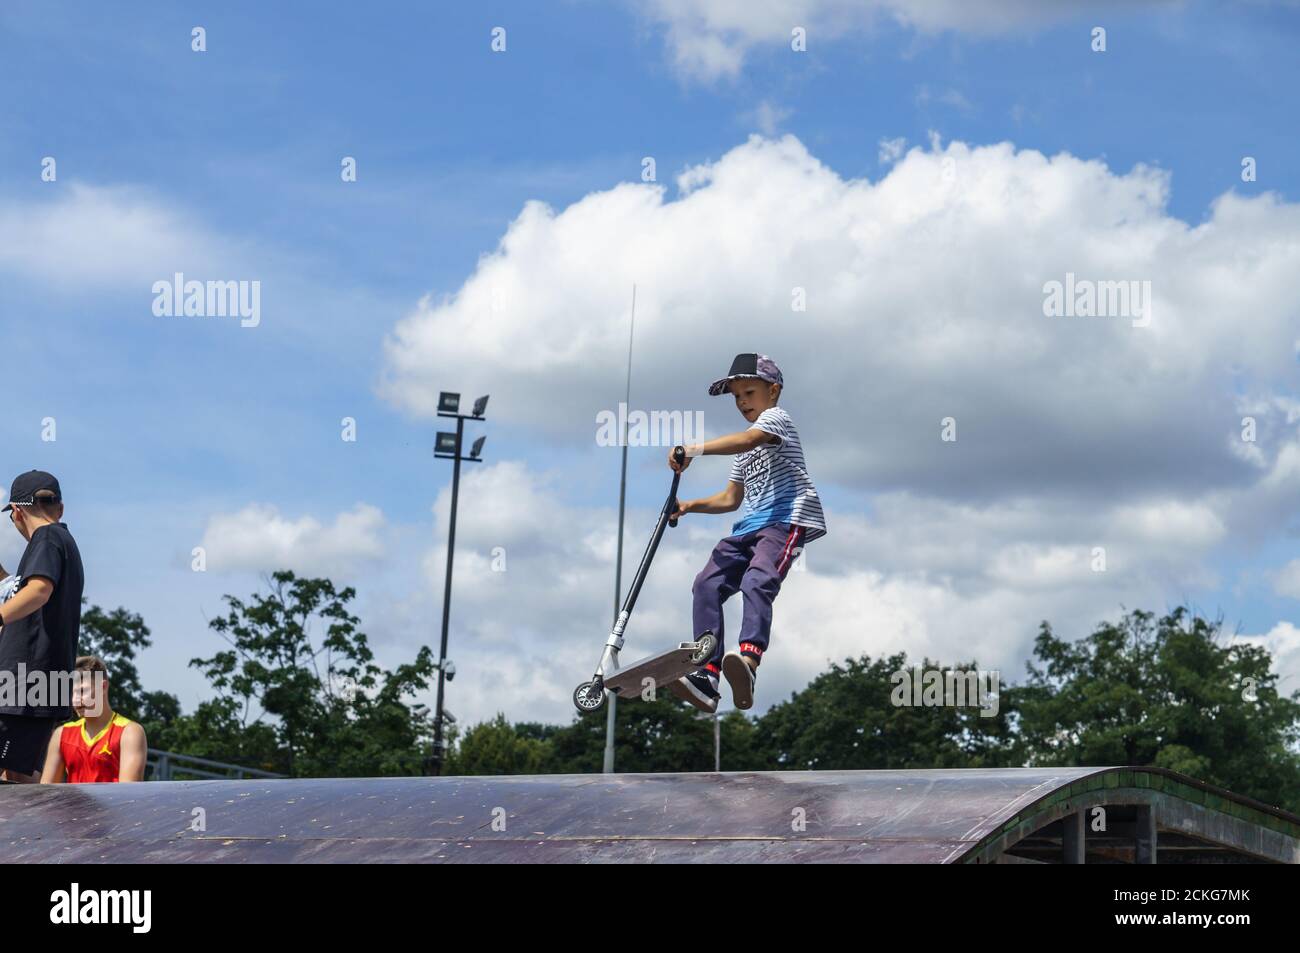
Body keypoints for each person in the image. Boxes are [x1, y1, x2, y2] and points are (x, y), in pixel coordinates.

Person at [666, 354, 827, 712]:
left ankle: (749, 661)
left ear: (773, 391)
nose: (742, 403)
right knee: (705, 584)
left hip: (784, 522)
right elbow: (730, 499)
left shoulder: (775, 420)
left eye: (749, 393)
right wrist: (689, 505)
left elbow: (747, 439)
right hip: (747, 529)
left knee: (757, 580)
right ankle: (706, 675)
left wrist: (694, 448)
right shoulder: (744, 453)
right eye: (736, 397)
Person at [0, 471, 85, 782]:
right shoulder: (64, 542)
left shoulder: (46, 538)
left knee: (16, 780)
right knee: (19, 780)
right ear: (59, 507)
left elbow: (38, 591)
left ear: (17, 512)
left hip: (23, 684)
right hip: (42, 684)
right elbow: (26, 597)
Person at [41, 655, 147, 783]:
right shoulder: (61, 734)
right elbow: (47, 793)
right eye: (71, 693)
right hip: (74, 804)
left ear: (103, 687)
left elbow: (129, 796)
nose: (76, 700)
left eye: (82, 691)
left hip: (113, 803)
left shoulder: (130, 732)